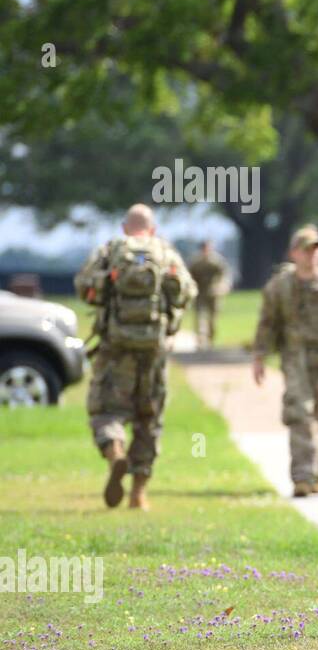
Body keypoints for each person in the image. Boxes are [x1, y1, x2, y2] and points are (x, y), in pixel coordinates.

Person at [74, 203, 196, 510]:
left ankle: (116, 453)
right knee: (149, 419)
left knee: (106, 410)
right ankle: (138, 493)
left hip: (115, 348)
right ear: (152, 229)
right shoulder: (165, 251)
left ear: (125, 227)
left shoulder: (111, 250)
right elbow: (187, 292)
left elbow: (84, 286)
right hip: (154, 350)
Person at [252, 225, 318, 497]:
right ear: (294, 253)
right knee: (299, 413)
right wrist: (259, 356)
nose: (312, 255)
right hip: (295, 355)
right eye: (306, 250)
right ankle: (302, 476)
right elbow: (267, 322)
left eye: (316, 249)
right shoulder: (280, 285)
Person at [187, 241, 230, 348]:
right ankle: (201, 341)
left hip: (214, 293)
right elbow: (189, 275)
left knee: (212, 319)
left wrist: (222, 286)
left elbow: (225, 274)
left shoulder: (217, 261)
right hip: (200, 293)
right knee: (200, 318)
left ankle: (211, 340)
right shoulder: (196, 262)